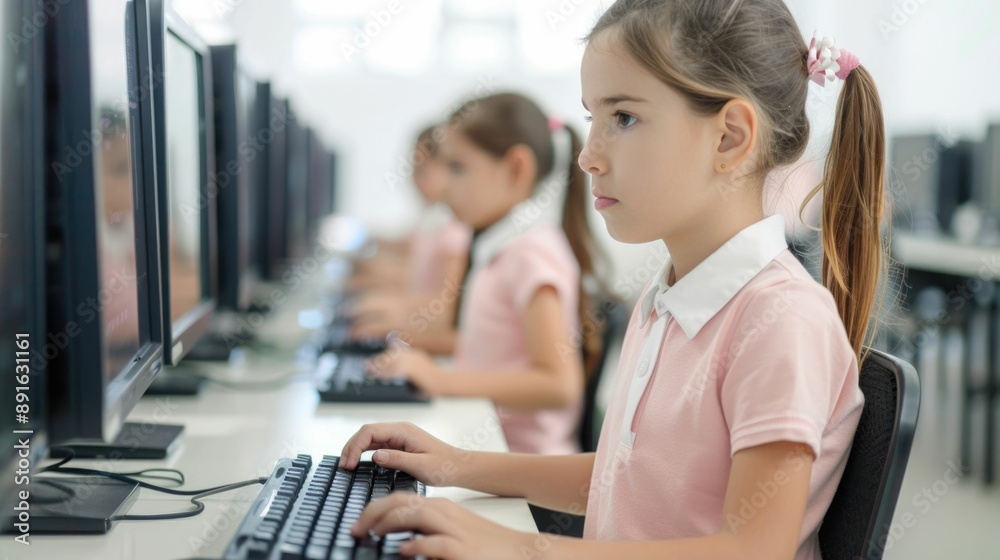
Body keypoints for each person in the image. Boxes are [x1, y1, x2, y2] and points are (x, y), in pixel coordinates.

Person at [339, 0, 888, 558]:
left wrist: (520, 549)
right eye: (591, 120)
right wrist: (455, 464)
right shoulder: (667, 298)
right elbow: (627, 484)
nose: (587, 157)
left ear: (728, 138)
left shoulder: (780, 320)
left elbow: (753, 549)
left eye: (622, 118)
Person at [366, 92, 606, 456]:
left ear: (516, 169)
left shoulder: (532, 254)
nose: (443, 185)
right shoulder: (500, 247)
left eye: (458, 168)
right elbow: (494, 351)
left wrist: (441, 379)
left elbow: (560, 385)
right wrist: (414, 347)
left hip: (527, 481)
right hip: (488, 446)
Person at [347, 126, 472, 354]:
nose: (415, 180)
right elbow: (409, 256)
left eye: (423, 171)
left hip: (432, 349)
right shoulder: (433, 220)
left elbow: (446, 308)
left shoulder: (455, 230)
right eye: (414, 170)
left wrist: (396, 311)